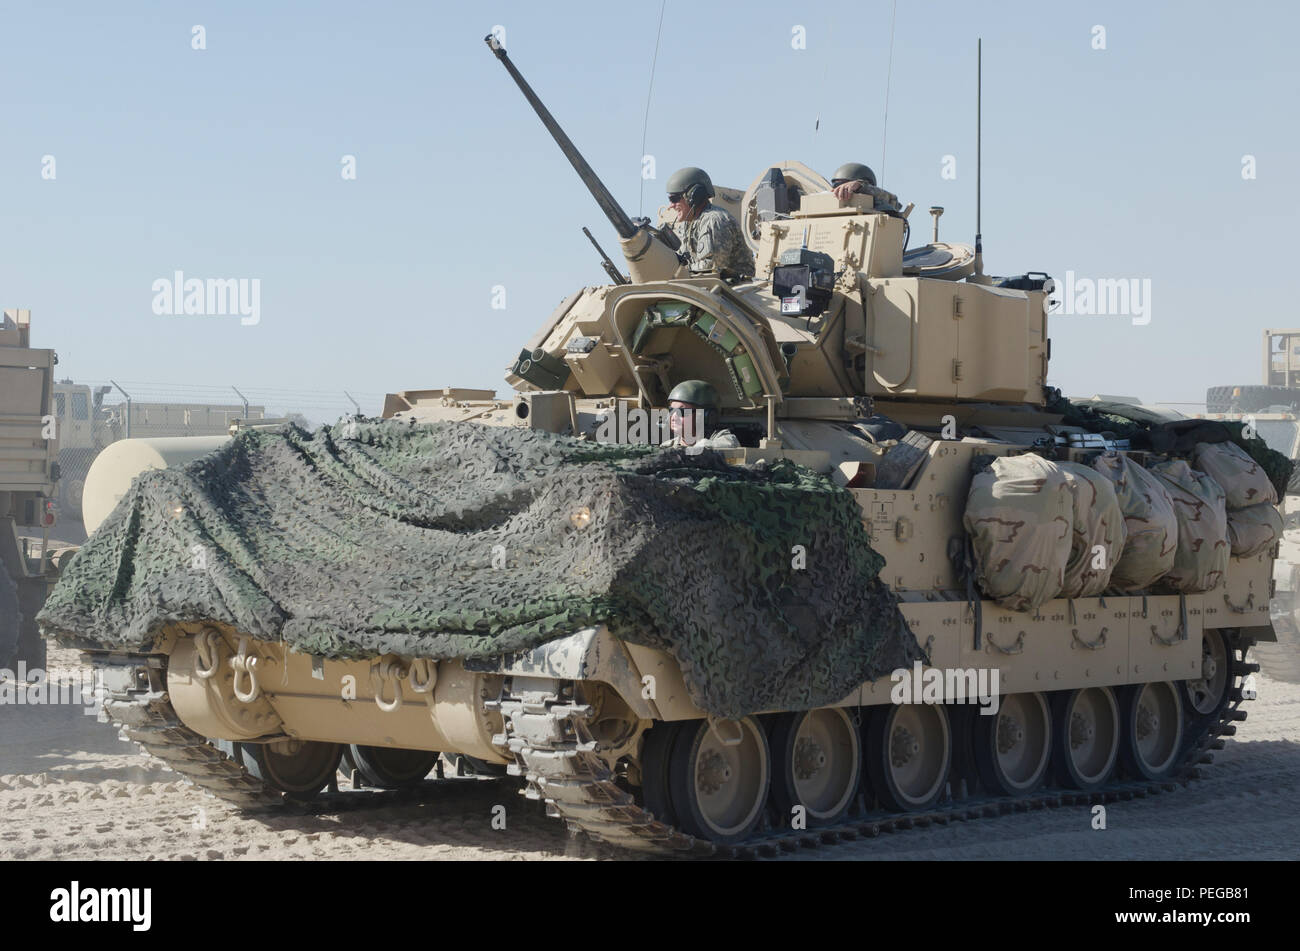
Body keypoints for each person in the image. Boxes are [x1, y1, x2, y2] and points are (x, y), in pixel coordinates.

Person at [665, 167, 755, 280]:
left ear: (694, 196)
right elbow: (682, 260)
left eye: (674, 199)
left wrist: (678, 271)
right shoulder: (689, 223)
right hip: (711, 286)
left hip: (735, 289)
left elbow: (711, 267)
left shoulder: (714, 221)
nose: (671, 205)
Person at [666, 380, 740, 450]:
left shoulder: (724, 441)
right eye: (671, 410)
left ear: (704, 416)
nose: (673, 417)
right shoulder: (668, 446)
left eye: (681, 411)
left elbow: (730, 445)